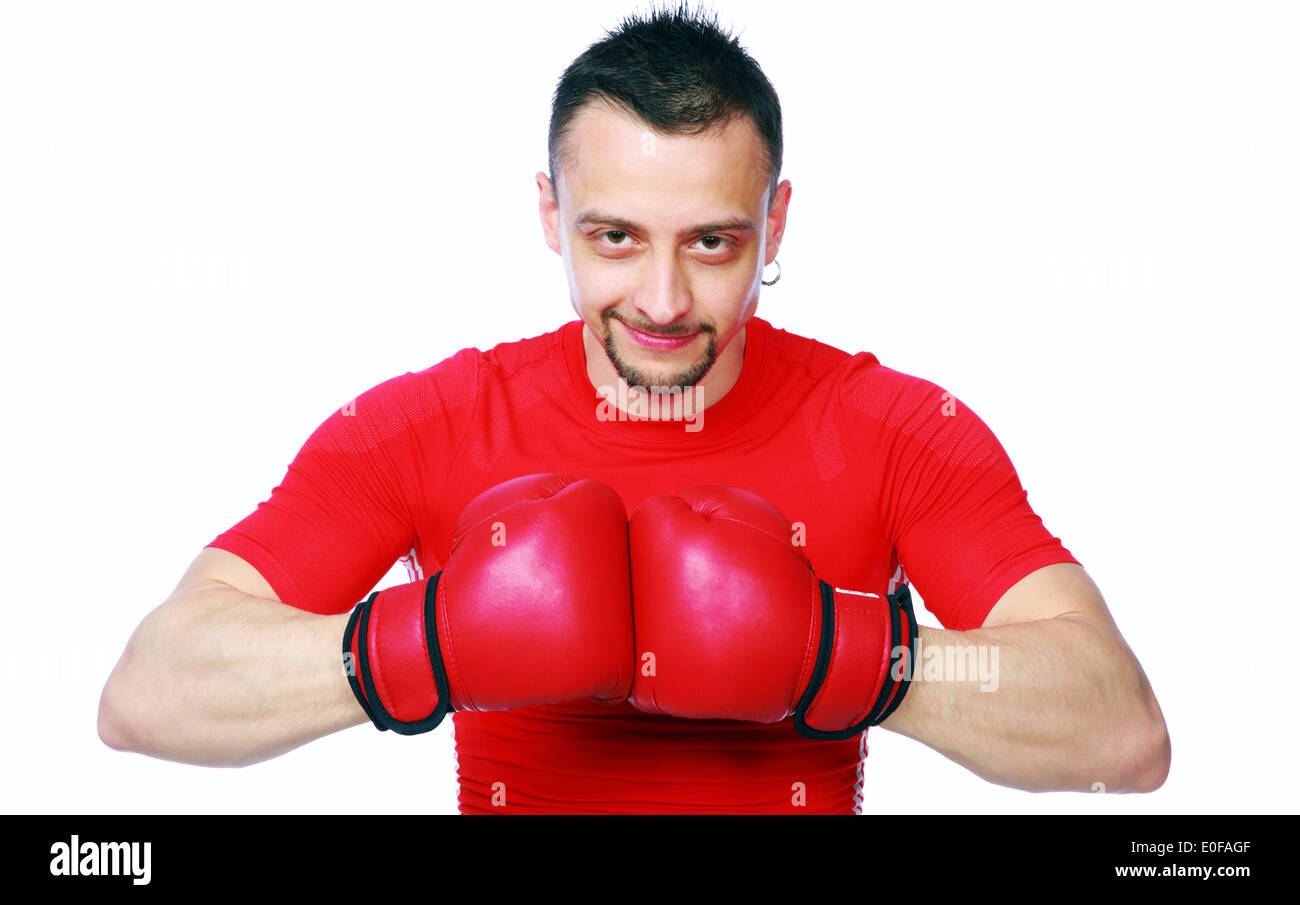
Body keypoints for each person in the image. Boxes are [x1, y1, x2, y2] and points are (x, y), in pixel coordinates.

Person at [97, 5, 1170, 813]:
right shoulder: (428, 424)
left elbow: (1118, 727)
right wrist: (423, 641)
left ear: (776, 220)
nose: (662, 299)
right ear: (548, 212)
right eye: (615, 236)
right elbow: (149, 690)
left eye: (713, 240)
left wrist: (838, 654)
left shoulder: (893, 430)